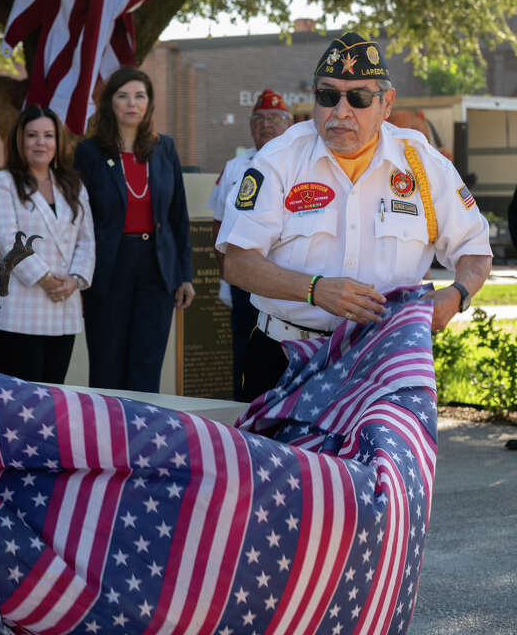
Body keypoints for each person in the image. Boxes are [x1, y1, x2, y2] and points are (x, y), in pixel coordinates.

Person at [219, 32, 492, 401]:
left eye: (359, 98)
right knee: (280, 462)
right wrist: (314, 290)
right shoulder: (280, 159)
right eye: (328, 96)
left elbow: (474, 249)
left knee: (381, 461)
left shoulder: (422, 164)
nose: (341, 111)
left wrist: (458, 295)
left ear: (387, 103)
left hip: (383, 362)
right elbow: (237, 263)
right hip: (284, 357)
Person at [74, 66, 195, 392]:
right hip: (108, 268)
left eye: (139, 96)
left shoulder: (165, 149)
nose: (132, 103)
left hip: (157, 268)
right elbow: (78, 220)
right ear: (110, 103)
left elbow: (178, 216)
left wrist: (184, 274)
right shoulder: (88, 153)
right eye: (123, 95)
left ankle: (144, 438)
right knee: (107, 362)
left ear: (149, 103)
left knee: (147, 364)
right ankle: (105, 438)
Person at [0, 105, 94, 384]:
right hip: (17, 307)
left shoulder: (73, 185)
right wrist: (44, 279)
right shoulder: (3, 182)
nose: (41, 142)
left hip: (63, 306)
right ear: (21, 141)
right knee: (22, 404)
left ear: (58, 141)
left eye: (48, 135)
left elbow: (87, 240)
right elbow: (7, 240)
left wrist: (75, 280)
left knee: (53, 400)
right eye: (32, 135)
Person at [206, 89, 293, 400]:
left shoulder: (300, 163)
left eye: (274, 119)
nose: (266, 125)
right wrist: (228, 272)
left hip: (288, 277)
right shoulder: (235, 167)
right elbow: (217, 223)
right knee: (245, 352)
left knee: (285, 353)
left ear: (289, 123)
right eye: (259, 119)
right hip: (246, 278)